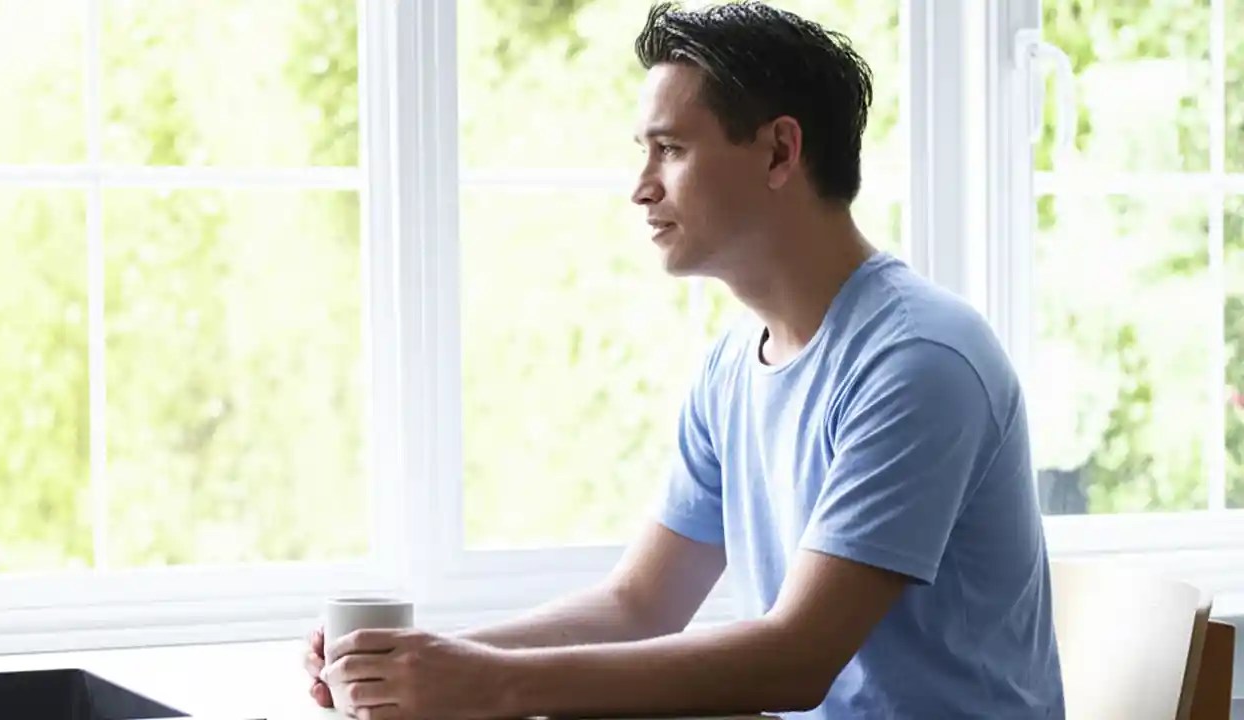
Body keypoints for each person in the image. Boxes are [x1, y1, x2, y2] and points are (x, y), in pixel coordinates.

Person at [303, 2, 1065, 718]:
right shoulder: (733, 369)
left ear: (779, 151)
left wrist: (484, 682)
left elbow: (796, 660)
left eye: (669, 150)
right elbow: (639, 606)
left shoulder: (919, 362)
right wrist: (411, 666)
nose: (641, 188)